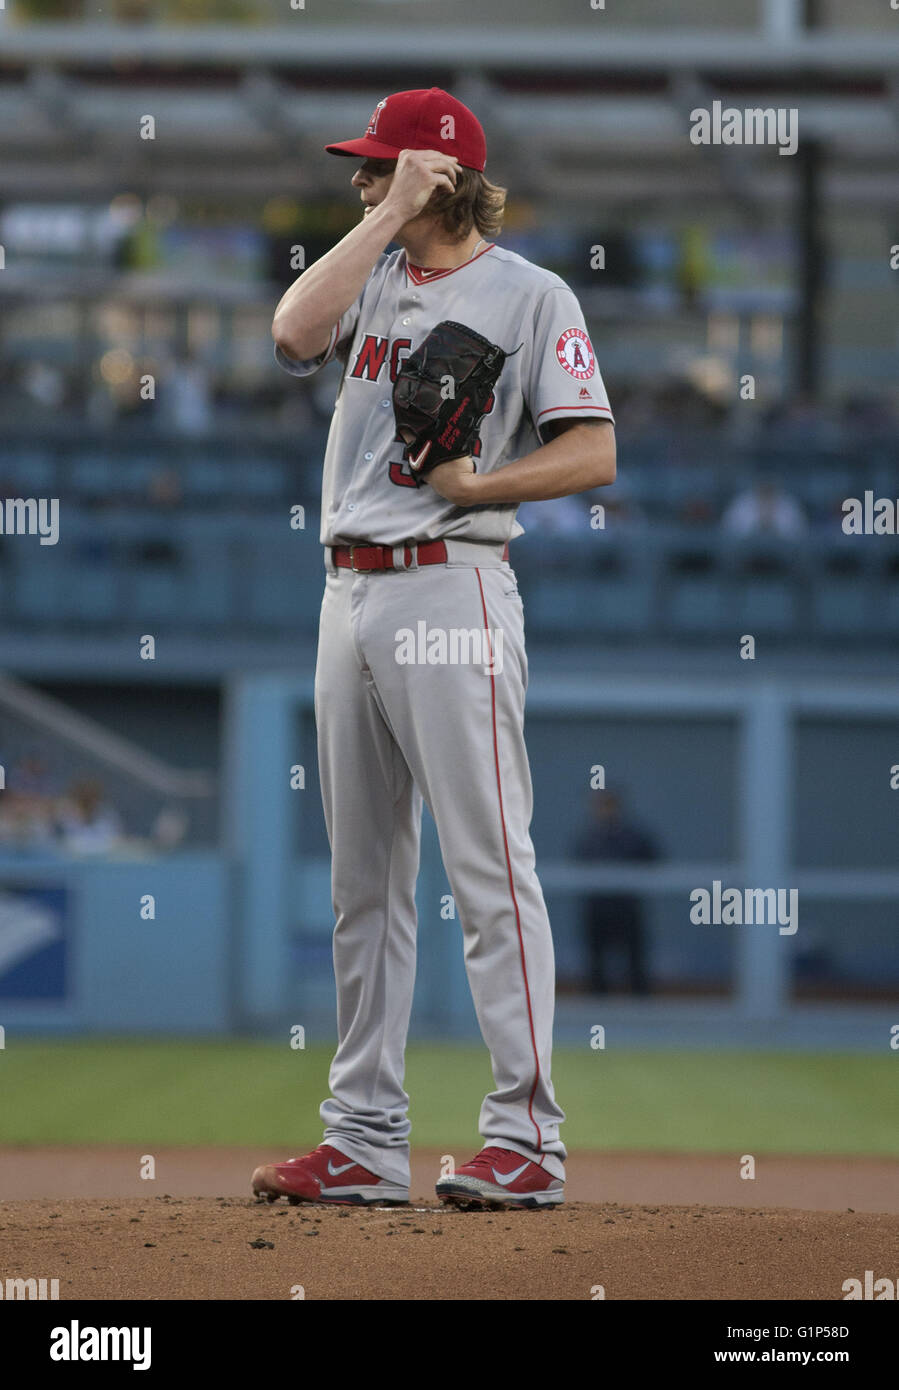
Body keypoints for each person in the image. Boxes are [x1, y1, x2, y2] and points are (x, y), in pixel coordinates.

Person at [252, 87, 616, 1210]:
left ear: (441, 175)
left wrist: (477, 487)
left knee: (489, 868)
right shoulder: (370, 277)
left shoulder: (528, 292)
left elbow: (593, 451)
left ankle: (524, 1137)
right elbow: (289, 335)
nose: (360, 181)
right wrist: (377, 223)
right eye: (364, 170)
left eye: (380, 168)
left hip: (450, 583)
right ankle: (363, 1138)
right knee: (363, 884)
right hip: (345, 591)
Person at [574, 790, 659, 996]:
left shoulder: (635, 838)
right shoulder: (588, 839)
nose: (605, 812)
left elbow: (653, 863)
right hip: (598, 909)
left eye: (609, 806)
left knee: (635, 962)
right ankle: (596, 1007)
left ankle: (641, 1006)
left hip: (626, 908)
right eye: (601, 807)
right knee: (596, 963)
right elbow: (579, 867)